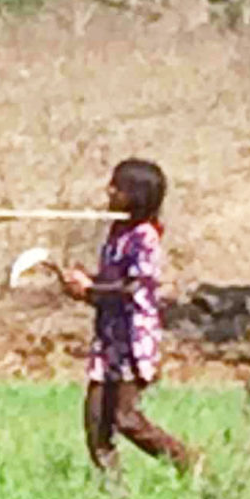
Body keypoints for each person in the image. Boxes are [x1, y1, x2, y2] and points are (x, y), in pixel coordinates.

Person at [61, 158, 197, 479]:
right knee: (96, 422)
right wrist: (83, 288)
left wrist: (92, 286)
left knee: (126, 418)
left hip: (132, 342)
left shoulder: (144, 236)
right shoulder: (116, 234)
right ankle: (113, 493)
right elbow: (110, 285)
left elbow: (134, 285)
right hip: (108, 342)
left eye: (118, 187)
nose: (109, 190)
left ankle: (189, 463)